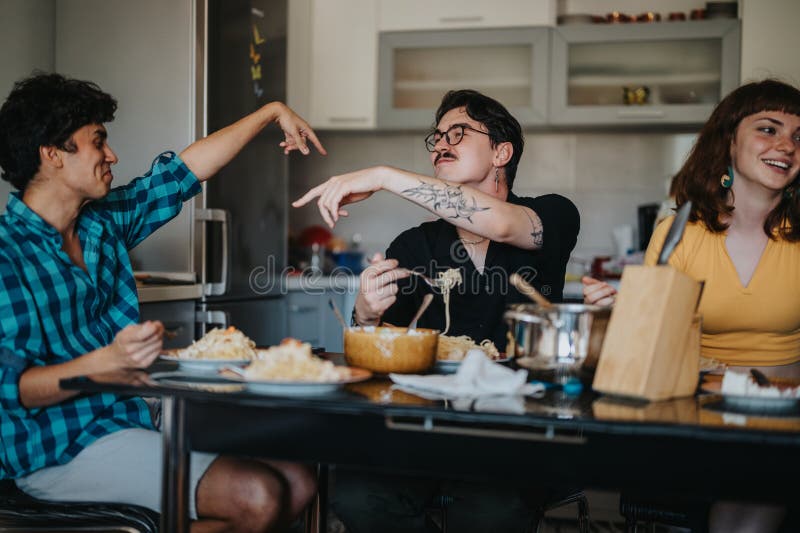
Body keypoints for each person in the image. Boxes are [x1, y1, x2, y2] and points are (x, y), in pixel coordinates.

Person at [0, 72, 326, 531]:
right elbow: (13, 388)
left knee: (300, 479)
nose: (111, 155)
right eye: (98, 141)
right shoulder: (7, 253)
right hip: (54, 448)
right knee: (259, 495)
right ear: (52, 154)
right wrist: (104, 363)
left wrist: (271, 111)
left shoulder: (101, 223)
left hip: (125, 419)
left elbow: (185, 171)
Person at [294, 89, 580, 532]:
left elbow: (500, 223)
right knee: (354, 494)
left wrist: (385, 175)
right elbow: (379, 351)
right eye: (438, 136)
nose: (441, 143)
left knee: (491, 511)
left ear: (502, 152)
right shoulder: (414, 245)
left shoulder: (552, 215)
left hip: (516, 431)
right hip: (425, 428)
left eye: (459, 132)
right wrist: (367, 314)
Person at [583, 78, 800, 532]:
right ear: (729, 139)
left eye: (799, 137)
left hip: (787, 419)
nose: (787, 145)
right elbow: (654, 346)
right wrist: (622, 313)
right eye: (769, 128)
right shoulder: (681, 230)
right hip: (700, 411)